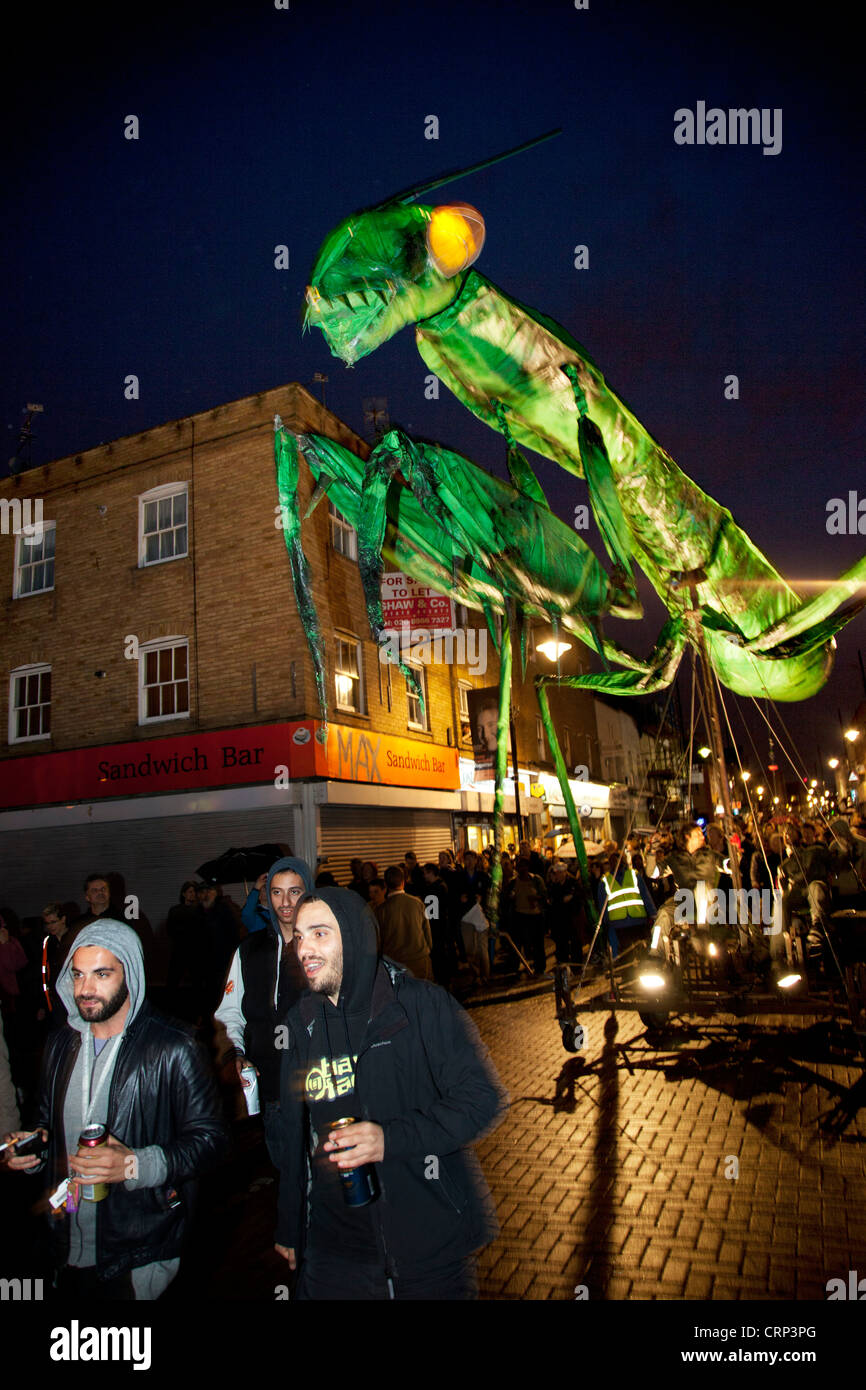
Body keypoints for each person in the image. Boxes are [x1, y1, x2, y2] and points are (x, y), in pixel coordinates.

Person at [274, 887, 507, 1298]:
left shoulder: (420, 1007)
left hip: (425, 1246)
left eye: (319, 934)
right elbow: (293, 1132)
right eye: (299, 937)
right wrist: (289, 1223)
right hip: (334, 1251)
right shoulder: (300, 1023)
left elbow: (482, 1099)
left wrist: (390, 1138)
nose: (304, 948)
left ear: (354, 935)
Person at [2, 921, 227, 1300]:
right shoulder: (61, 1043)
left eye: (101, 974)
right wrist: (33, 1149)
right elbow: (44, 1121)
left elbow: (213, 1142)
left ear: (131, 973)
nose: (85, 990)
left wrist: (132, 1165)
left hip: (137, 1251)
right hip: (64, 1243)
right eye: (77, 975)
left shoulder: (175, 1046)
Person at [215, 856, 313, 1168]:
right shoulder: (249, 950)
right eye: (276, 892)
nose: (285, 902)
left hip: (321, 1088)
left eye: (294, 892)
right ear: (266, 897)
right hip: (272, 1089)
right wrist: (236, 1052)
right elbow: (229, 1013)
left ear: (308, 893)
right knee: (289, 1180)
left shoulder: (327, 944)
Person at [377, 866, 433, 980]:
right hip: (419, 958)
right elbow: (427, 932)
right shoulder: (417, 903)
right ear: (403, 882)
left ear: (386, 885)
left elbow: (378, 940)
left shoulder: (381, 910)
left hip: (395, 962)